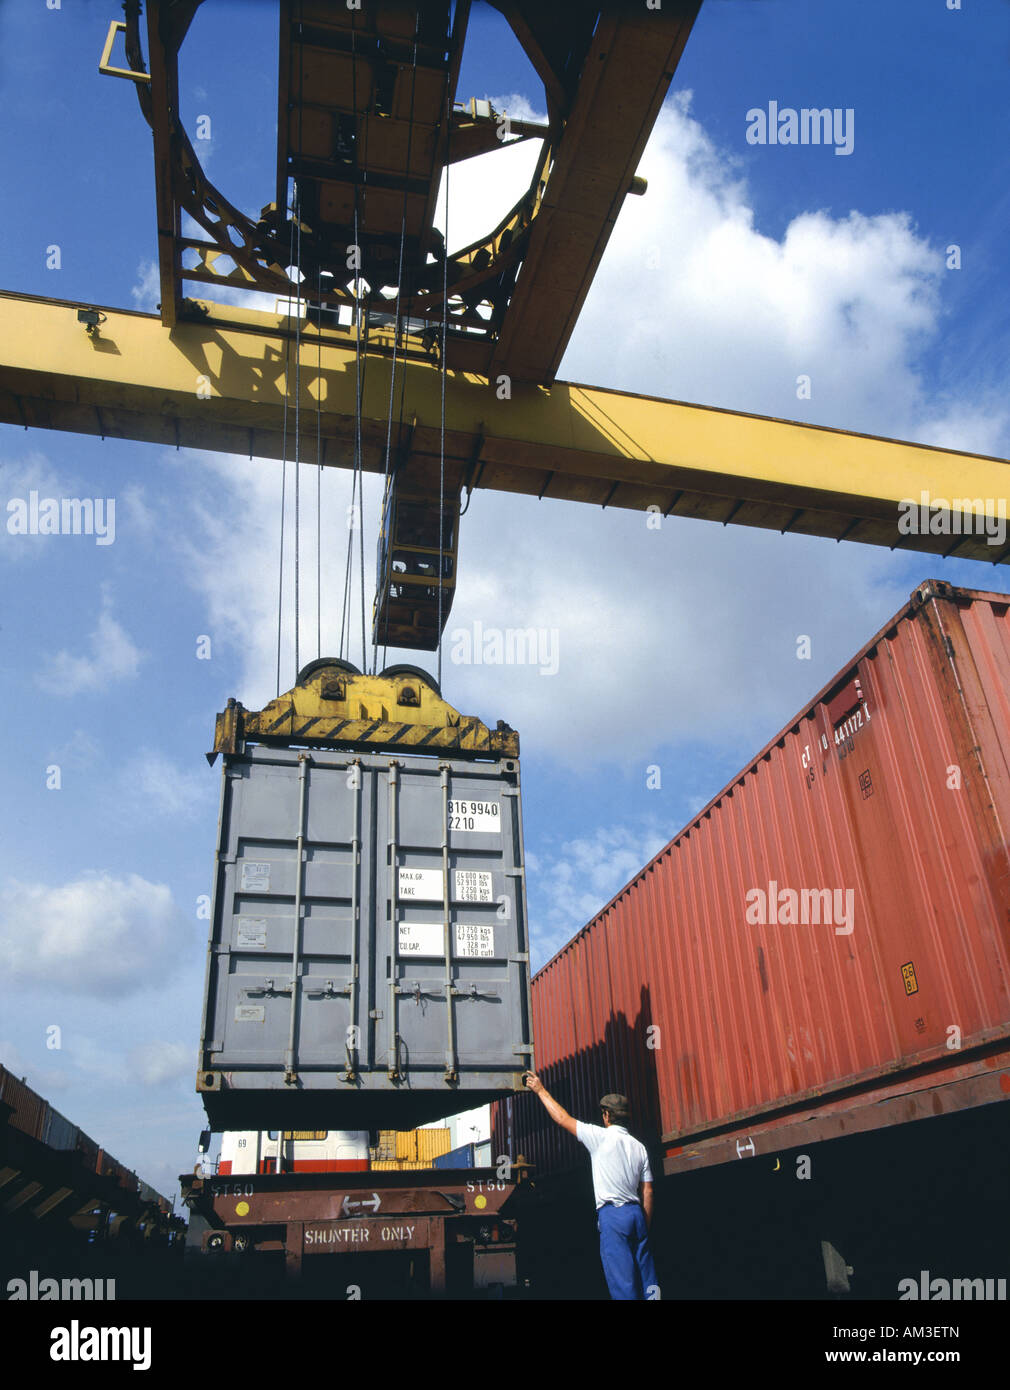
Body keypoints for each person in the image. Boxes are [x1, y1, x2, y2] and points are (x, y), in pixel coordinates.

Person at [523, 1072, 658, 1300]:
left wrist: (540, 1090)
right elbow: (648, 1191)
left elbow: (562, 1118)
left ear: (606, 1115)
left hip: (613, 1216)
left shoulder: (599, 1137)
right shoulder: (639, 1147)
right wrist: (643, 1224)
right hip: (637, 1214)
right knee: (647, 1279)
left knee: (622, 1281)